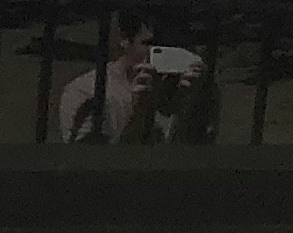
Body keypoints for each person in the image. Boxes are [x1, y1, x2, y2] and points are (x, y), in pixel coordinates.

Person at [57, 16, 216, 143]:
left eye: (173, 44)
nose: (166, 52)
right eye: (153, 44)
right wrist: (139, 110)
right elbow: (91, 169)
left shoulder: (196, 86)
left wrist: (189, 105)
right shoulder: (86, 92)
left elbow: (196, 165)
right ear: (125, 39)